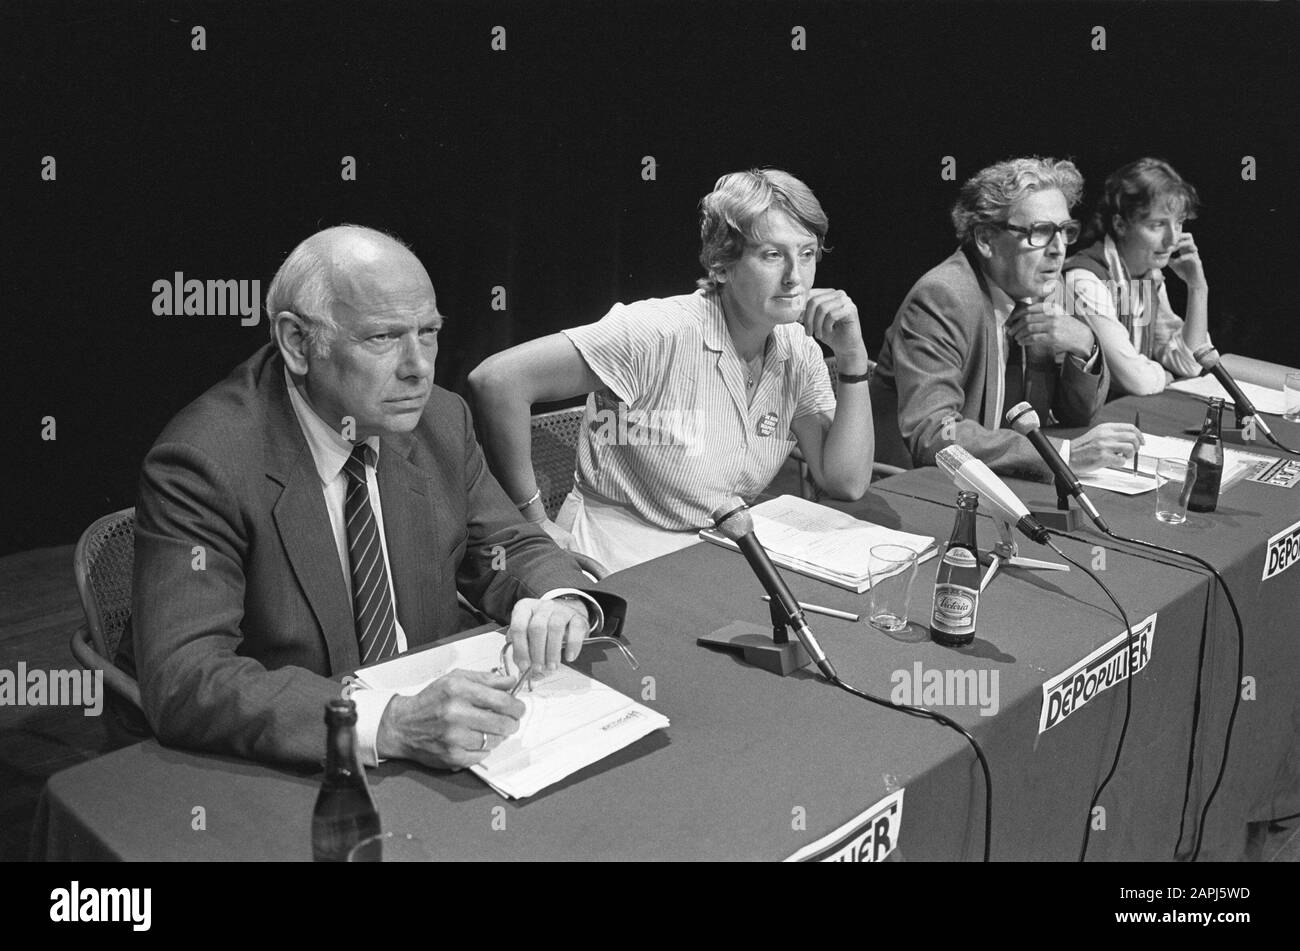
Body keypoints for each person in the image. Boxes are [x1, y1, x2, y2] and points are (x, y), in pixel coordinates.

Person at [119, 225, 610, 769]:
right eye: (382, 338)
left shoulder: (440, 420)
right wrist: (389, 723)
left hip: (444, 731)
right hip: (294, 761)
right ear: (298, 343)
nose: (418, 366)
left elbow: (508, 544)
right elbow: (188, 677)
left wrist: (560, 599)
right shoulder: (204, 462)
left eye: (428, 332)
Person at [467, 168, 874, 573]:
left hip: (716, 552)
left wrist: (854, 360)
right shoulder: (658, 331)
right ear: (721, 265)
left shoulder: (797, 351)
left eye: (806, 254)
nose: (795, 278)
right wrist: (532, 521)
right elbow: (498, 382)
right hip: (617, 554)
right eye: (772, 255)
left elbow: (845, 482)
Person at [871, 156, 1142, 481]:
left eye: (1065, 231)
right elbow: (934, 434)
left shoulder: (1039, 288)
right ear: (986, 239)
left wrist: (1083, 343)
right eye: (1041, 232)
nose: (1058, 250)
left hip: (1002, 482)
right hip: (911, 488)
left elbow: (1077, 414)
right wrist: (1064, 455)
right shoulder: (943, 297)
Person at [1063, 157, 1210, 397]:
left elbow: (1190, 363)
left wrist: (1197, 289)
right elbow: (1136, 381)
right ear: (1121, 225)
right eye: (1157, 225)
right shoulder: (1085, 280)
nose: (1172, 239)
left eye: (1179, 223)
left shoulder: (1148, 276)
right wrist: (1165, 375)